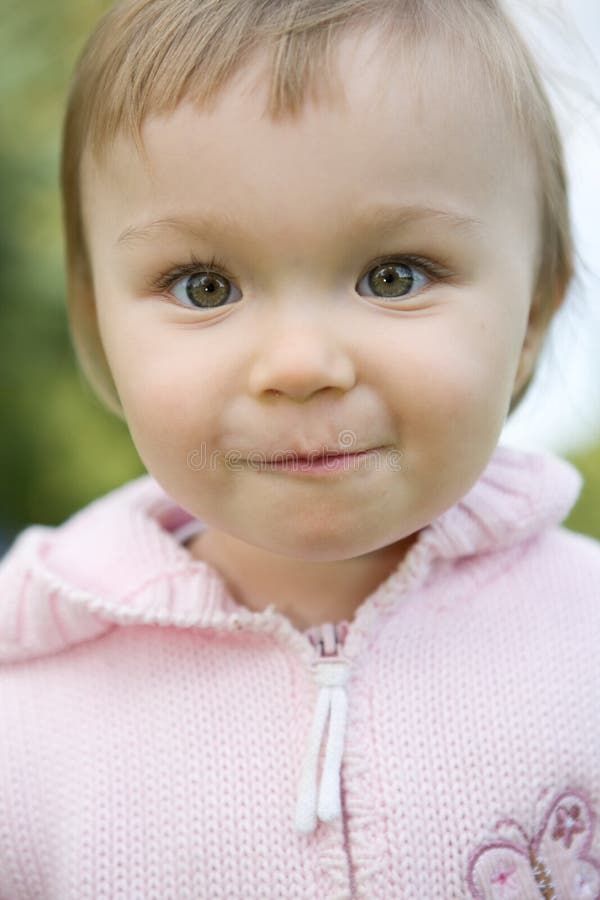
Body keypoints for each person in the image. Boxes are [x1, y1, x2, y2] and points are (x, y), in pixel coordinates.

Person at [1, 0, 599, 896]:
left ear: (534, 314)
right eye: (204, 287)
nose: (300, 365)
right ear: (99, 328)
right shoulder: (27, 716)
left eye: (393, 276)